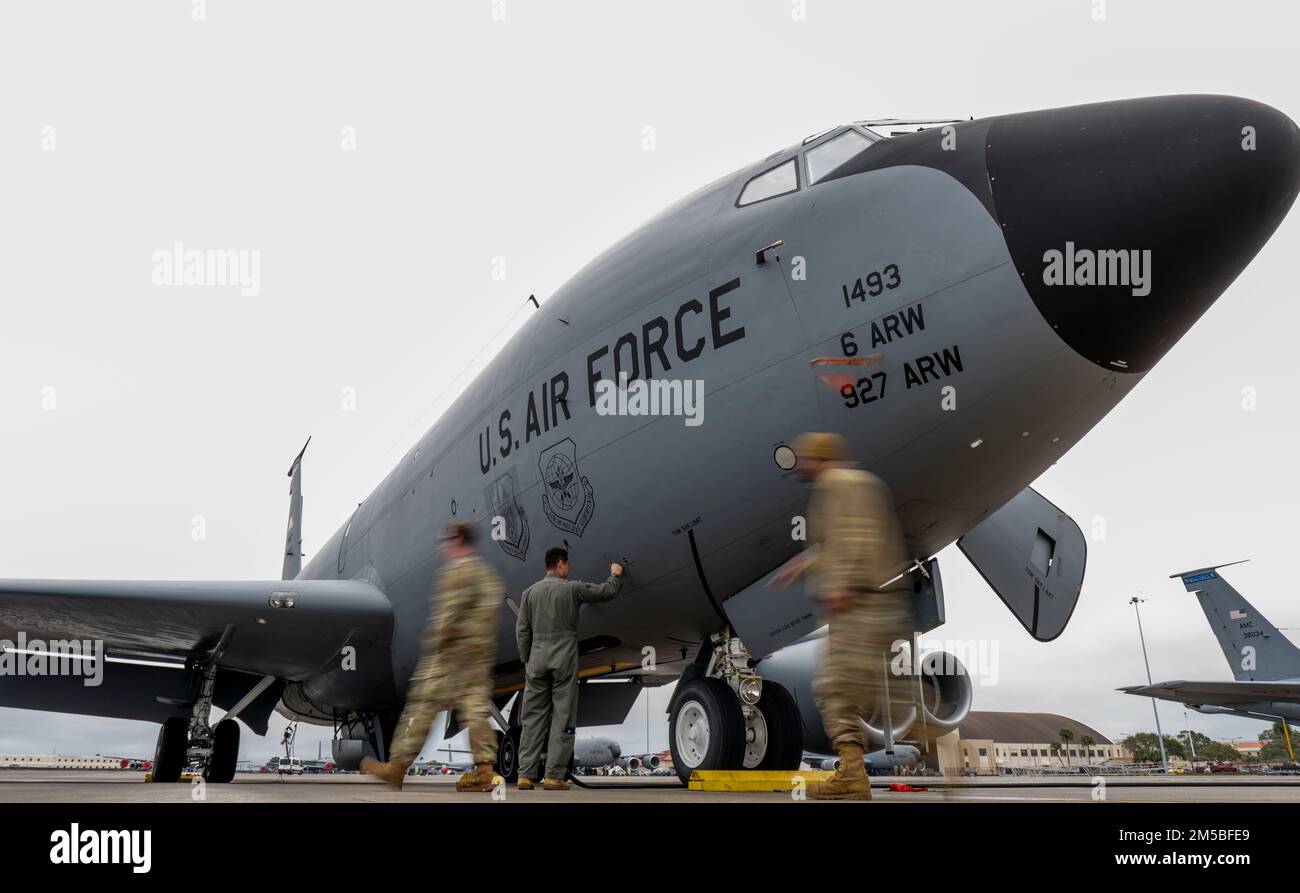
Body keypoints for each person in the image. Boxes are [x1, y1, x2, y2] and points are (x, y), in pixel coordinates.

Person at [768, 432, 913, 800]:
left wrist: (841, 586)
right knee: (878, 688)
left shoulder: (832, 486)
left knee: (832, 688)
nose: (801, 465)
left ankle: (852, 774)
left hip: (856, 605)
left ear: (817, 458)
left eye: (805, 459)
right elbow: (848, 538)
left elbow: (853, 537)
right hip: (884, 600)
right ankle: (919, 732)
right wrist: (803, 565)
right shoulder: (863, 482)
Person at [361, 521, 505, 791]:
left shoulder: (455, 573)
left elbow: (447, 617)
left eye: (447, 541)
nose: (444, 547)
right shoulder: (486, 574)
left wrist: (435, 641)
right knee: (475, 711)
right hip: (477, 656)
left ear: (458, 541)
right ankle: (485, 769)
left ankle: (396, 767)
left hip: (449, 656)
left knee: (421, 707)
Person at [515, 548, 623, 790]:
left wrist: (526, 659)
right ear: (561, 564)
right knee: (563, 717)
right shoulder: (572, 588)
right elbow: (605, 592)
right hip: (563, 658)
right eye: (568, 565)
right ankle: (553, 776)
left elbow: (522, 630)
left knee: (532, 719)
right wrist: (615, 575)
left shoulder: (529, 593)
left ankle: (525, 775)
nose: (569, 568)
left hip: (537, 660)